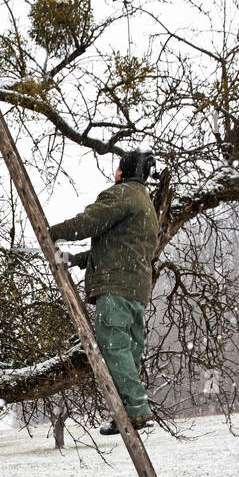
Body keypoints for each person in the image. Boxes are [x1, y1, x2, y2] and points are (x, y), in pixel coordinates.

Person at [48, 150, 159, 435]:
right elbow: (119, 249)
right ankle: (129, 412)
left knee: (115, 350)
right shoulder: (146, 204)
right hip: (136, 292)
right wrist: (77, 260)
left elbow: (89, 222)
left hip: (115, 291)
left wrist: (51, 232)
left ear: (122, 171)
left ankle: (136, 410)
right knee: (129, 354)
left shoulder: (121, 195)